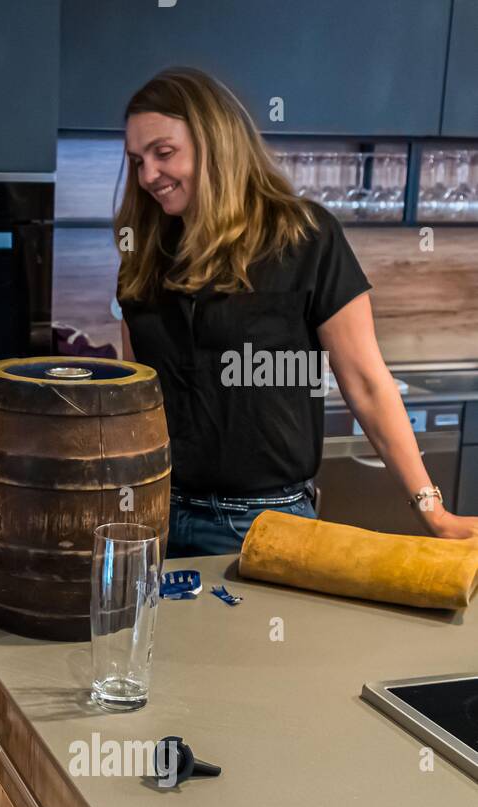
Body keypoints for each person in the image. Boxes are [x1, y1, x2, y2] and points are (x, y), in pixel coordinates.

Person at [116, 68, 478, 556]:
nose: (147, 176)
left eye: (164, 153)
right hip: (155, 519)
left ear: (216, 142)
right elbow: (133, 398)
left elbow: (368, 384)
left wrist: (431, 510)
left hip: (266, 525)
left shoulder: (304, 236)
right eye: (137, 160)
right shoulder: (146, 251)